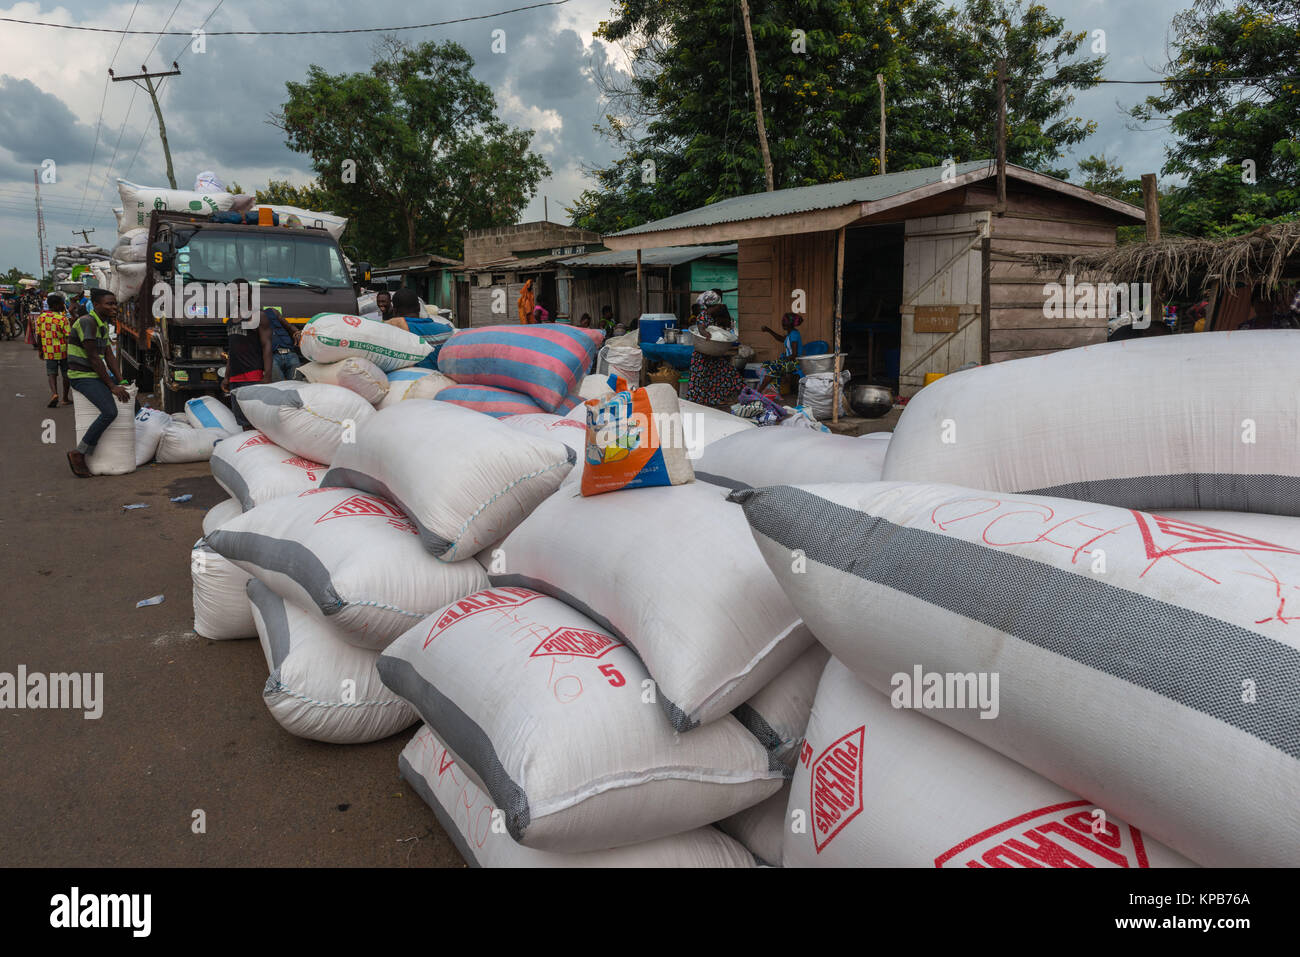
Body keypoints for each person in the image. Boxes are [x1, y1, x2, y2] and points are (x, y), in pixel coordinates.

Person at [66, 289, 130, 477]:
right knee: (110, 411)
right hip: (82, 376)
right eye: (109, 304)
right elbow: (94, 358)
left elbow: (109, 354)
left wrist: (121, 380)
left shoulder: (102, 324)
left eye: (115, 303)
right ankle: (79, 453)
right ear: (96, 305)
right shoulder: (88, 322)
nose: (114, 307)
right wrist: (112, 386)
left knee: (134, 406)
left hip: (93, 374)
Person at [221, 278, 273, 427]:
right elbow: (232, 349)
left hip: (253, 376)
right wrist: (227, 376)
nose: (237, 294)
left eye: (241, 290)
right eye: (234, 291)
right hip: (235, 378)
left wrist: (267, 376)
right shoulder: (231, 318)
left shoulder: (259, 316)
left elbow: (267, 346)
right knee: (243, 422)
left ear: (250, 292)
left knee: (257, 420)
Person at [683, 293, 745, 409]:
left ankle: (716, 399)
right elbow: (700, 328)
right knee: (699, 380)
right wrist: (705, 333)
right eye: (718, 305)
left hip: (713, 354)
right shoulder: (703, 315)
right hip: (702, 355)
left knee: (727, 374)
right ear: (713, 305)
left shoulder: (713, 316)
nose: (719, 307)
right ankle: (696, 404)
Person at [387, 288, 453, 368]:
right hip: (441, 379)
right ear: (419, 307)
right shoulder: (447, 331)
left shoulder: (391, 333)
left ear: (394, 311)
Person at [32, 292, 72, 408]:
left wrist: (40, 350)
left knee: (51, 373)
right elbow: (68, 337)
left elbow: (38, 335)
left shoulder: (42, 317)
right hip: (63, 351)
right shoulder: (62, 319)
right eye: (62, 304)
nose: (63, 306)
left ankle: (54, 394)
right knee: (66, 374)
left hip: (48, 350)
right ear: (56, 305)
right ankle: (65, 398)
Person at [756, 312, 804, 395]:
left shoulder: (794, 334)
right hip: (789, 361)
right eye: (783, 321)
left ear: (791, 323)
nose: (783, 323)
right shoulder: (791, 333)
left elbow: (794, 354)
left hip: (795, 362)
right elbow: (781, 339)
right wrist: (769, 330)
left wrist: (784, 359)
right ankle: (771, 392)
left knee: (773, 368)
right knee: (767, 365)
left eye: (785, 321)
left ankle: (759, 392)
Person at [264, 305, 304, 381]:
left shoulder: (272, 311)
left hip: (290, 353)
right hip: (272, 357)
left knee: (297, 385)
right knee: (280, 387)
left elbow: (289, 326)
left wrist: (297, 332)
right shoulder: (251, 320)